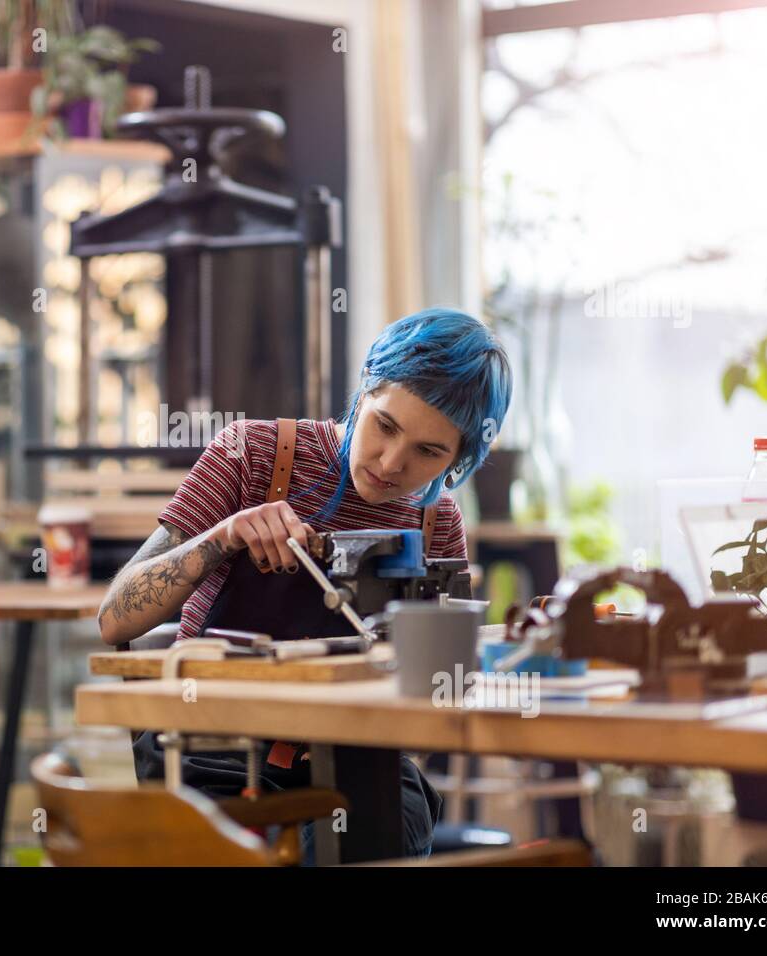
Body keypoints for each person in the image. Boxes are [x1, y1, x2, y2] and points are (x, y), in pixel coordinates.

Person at [97, 307, 513, 858]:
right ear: (364, 392)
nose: (391, 462)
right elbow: (115, 618)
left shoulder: (436, 523)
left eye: (428, 452)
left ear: (460, 459)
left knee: (388, 815)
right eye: (384, 426)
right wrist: (221, 538)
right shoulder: (252, 455)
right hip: (212, 746)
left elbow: (431, 706)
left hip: (351, 756)